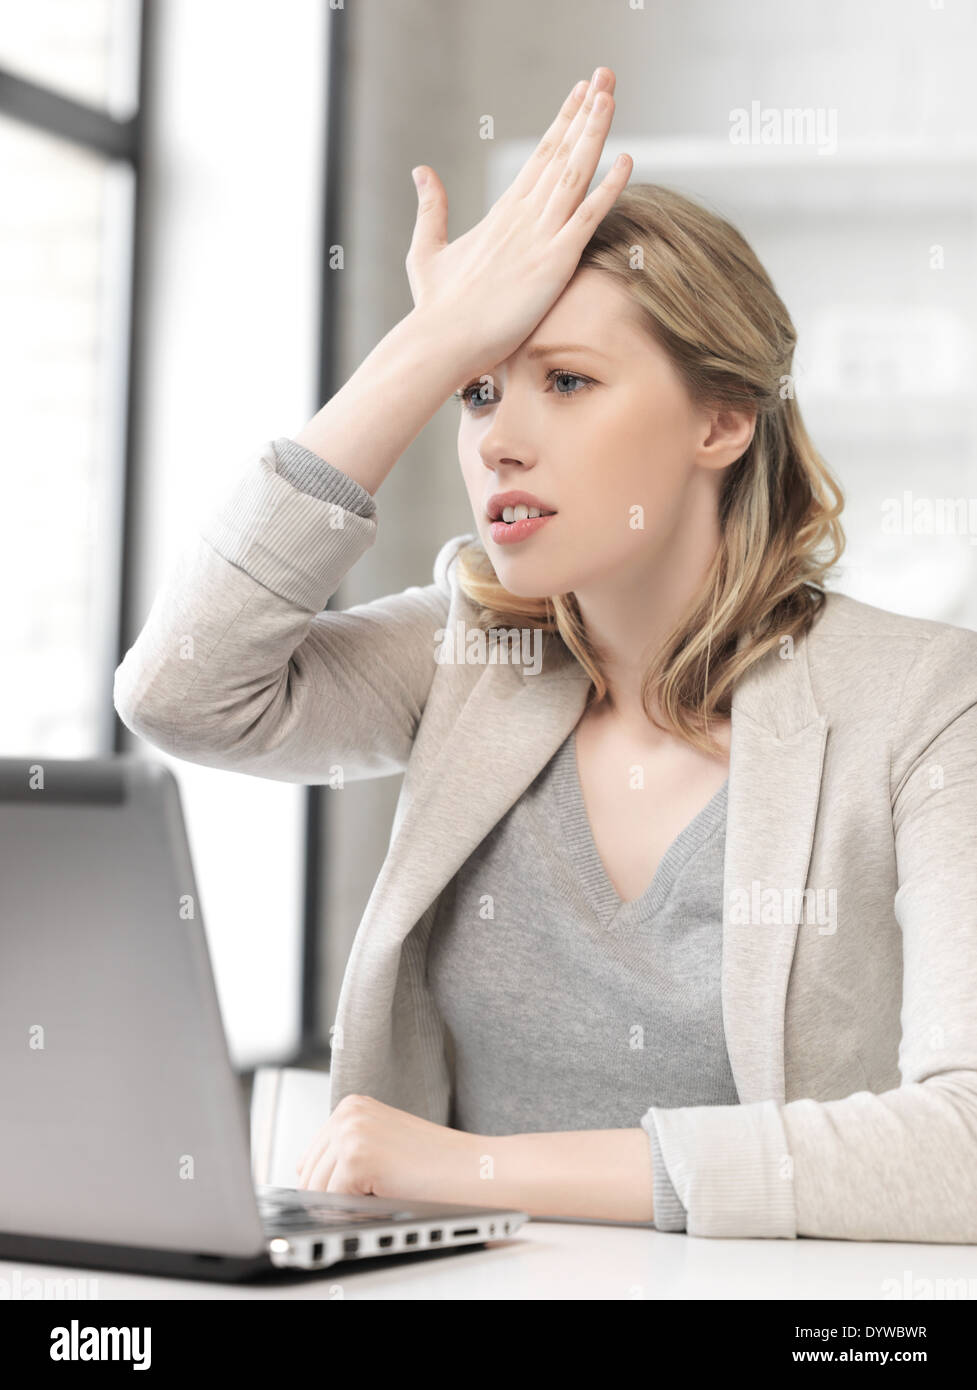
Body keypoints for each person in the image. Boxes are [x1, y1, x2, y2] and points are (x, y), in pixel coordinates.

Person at [114, 67, 977, 1240]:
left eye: (565, 382)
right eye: (477, 393)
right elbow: (180, 692)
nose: (499, 442)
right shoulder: (462, 657)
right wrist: (424, 346)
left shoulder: (924, 700)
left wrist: (475, 1168)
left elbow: (961, 1149)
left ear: (719, 420)